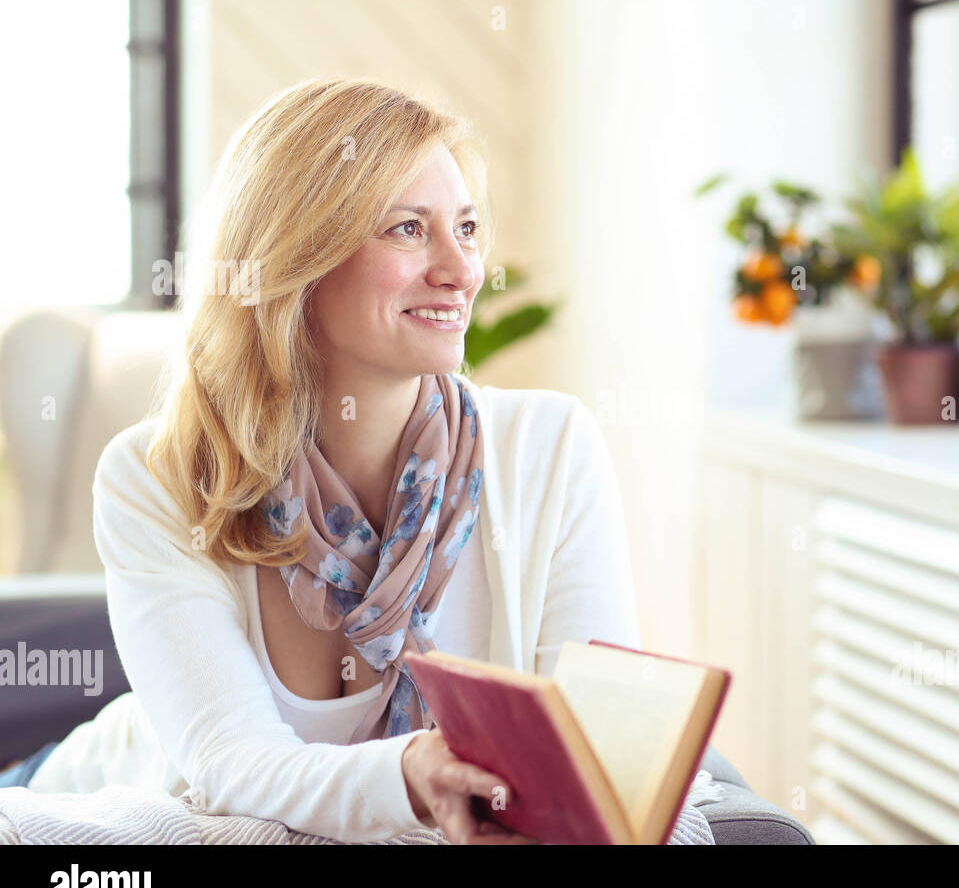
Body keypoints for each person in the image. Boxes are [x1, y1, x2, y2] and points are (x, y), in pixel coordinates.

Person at [14, 77, 650, 844]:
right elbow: (233, 761)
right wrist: (410, 774)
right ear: (296, 257)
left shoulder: (551, 449)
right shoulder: (156, 478)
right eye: (409, 229)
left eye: (469, 227)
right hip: (80, 788)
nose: (462, 270)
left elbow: (587, 754)